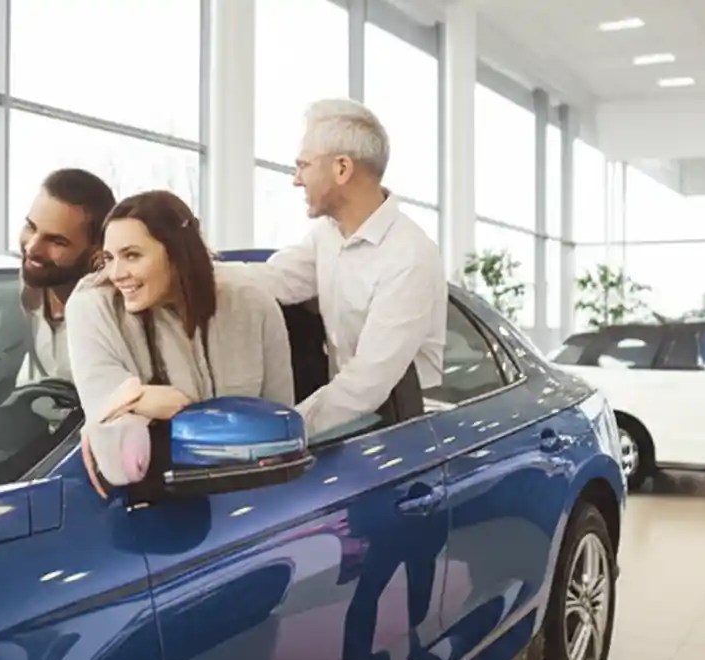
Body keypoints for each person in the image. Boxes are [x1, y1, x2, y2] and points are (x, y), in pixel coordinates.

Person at [66, 190, 295, 493]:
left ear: (176, 253)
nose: (117, 274)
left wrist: (131, 402)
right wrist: (135, 402)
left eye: (132, 255)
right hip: (149, 506)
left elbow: (280, 427)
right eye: (109, 258)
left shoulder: (252, 303)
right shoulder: (93, 307)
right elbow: (114, 451)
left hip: (248, 499)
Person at [243, 98, 447, 437]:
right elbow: (277, 279)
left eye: (303, 165)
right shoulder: (328, 235)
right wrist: (193, 271)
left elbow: (366, 383)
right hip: (350, 415)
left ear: (341, 169)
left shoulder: (409, 256)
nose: (296, 179)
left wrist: (283, 433)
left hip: (404, 427)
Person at [18, 168, 117, 382]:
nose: (32, 248)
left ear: (97, 253)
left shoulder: (118, 319)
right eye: (31, 227)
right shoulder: (23, 293)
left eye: (56, 241)